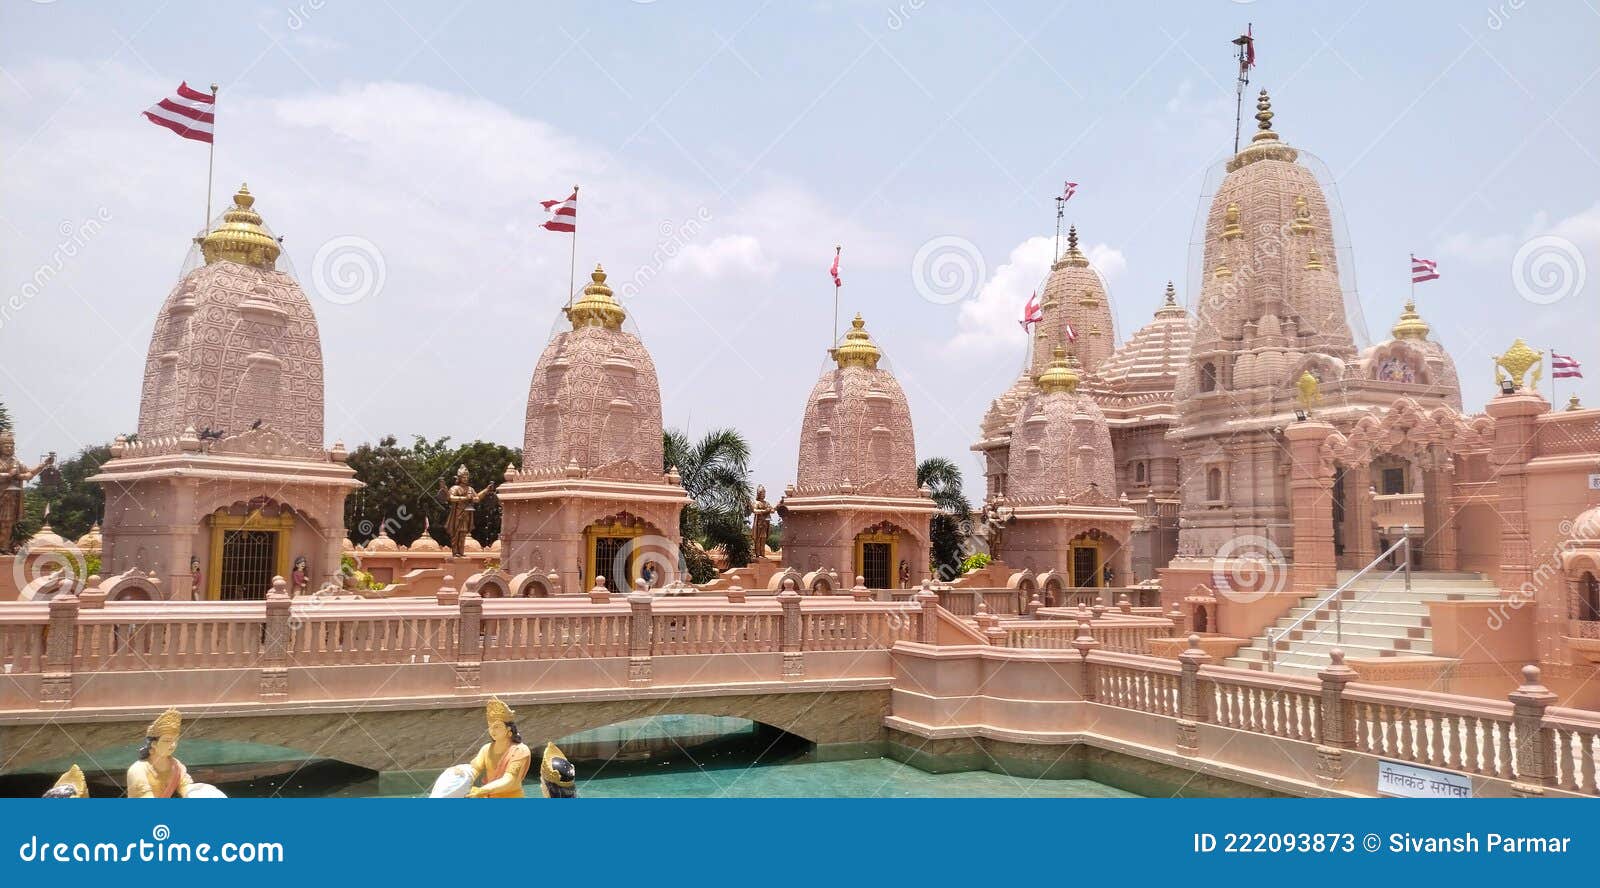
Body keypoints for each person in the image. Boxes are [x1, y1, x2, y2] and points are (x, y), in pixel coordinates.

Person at [466, 697, 531, 798]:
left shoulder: (520, 750)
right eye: (490, 726)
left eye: (496, 726)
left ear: (508, 728)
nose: (492, 730)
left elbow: (509, 780)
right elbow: (473, 770)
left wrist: (482, 790)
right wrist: (460, 774)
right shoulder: (486, 749)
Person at [0, 432, 52, 553]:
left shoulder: (16, 462)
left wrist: (44, 464)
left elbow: (29, 472)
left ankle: (3, 547)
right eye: (6, 446)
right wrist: (8, 475)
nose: (9, 448)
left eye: (11, 446)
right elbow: (12, 475)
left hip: (10, 498)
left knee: (7, 524)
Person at [126, 708, 194, 798]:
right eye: (167, 740)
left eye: (175, 740)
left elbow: (187, 788)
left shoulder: (176, 765)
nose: (173, 745)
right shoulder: (138, 769)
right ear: (154, 744)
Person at [446, 465, 495, 558]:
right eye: (464, 477)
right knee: (456, 533)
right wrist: (464, 498)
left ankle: (461, 552)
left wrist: (486, 490)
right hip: (457, 513)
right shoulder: (455, 488)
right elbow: (450, 498)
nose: (466, 479)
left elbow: (476, 499)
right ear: (459, 478)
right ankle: (455, 552)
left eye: (467, 477)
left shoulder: (470, 489)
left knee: (463, 533)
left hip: (467, 513)